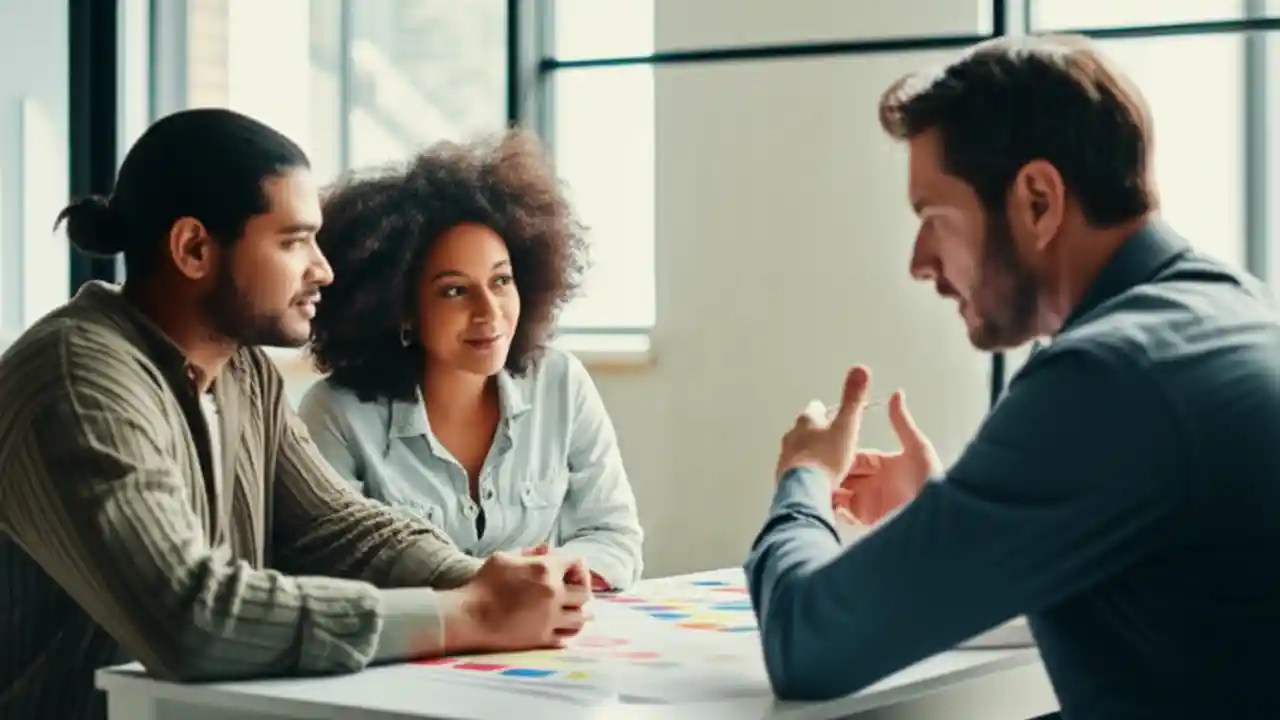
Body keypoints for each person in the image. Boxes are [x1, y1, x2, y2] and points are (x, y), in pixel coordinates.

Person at [746, 34, 1280, 719]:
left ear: (1036, 200)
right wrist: (944, 518)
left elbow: (806, 643)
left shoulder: (1107, 377)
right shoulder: (1238, 310)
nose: (918, 260)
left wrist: (807, 478)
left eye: (932, 217)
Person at [0, 109, 590, 720]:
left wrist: (486, 582)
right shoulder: (76, 381)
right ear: (194, 248)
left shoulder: (243, 371)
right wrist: (470, 614)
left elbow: (338, 529)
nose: (323, 270)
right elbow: (193, 618)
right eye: (292, 242)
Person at [297, 130, 643, 591]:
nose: (489, 311)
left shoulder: (560, 382)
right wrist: (487, 587)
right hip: (412, 651)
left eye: (501, 281)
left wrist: (543, 580)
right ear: (401, 307)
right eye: (455, 291)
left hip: (546, 643)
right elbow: (330, 572)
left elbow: (615, 538)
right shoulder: (336, 415)